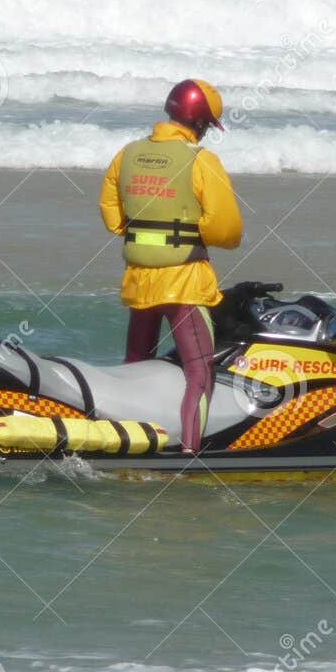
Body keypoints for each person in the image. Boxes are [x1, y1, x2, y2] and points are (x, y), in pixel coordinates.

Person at [99, 78, 243, 453]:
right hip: (185, 284)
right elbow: (226, 229)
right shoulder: (201, 161)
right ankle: (190, 453)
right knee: (200, 372)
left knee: (135, 367)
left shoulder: (127, 155)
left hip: (139, 280)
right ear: (200, 122)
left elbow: (113, 217)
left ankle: (129, 444)